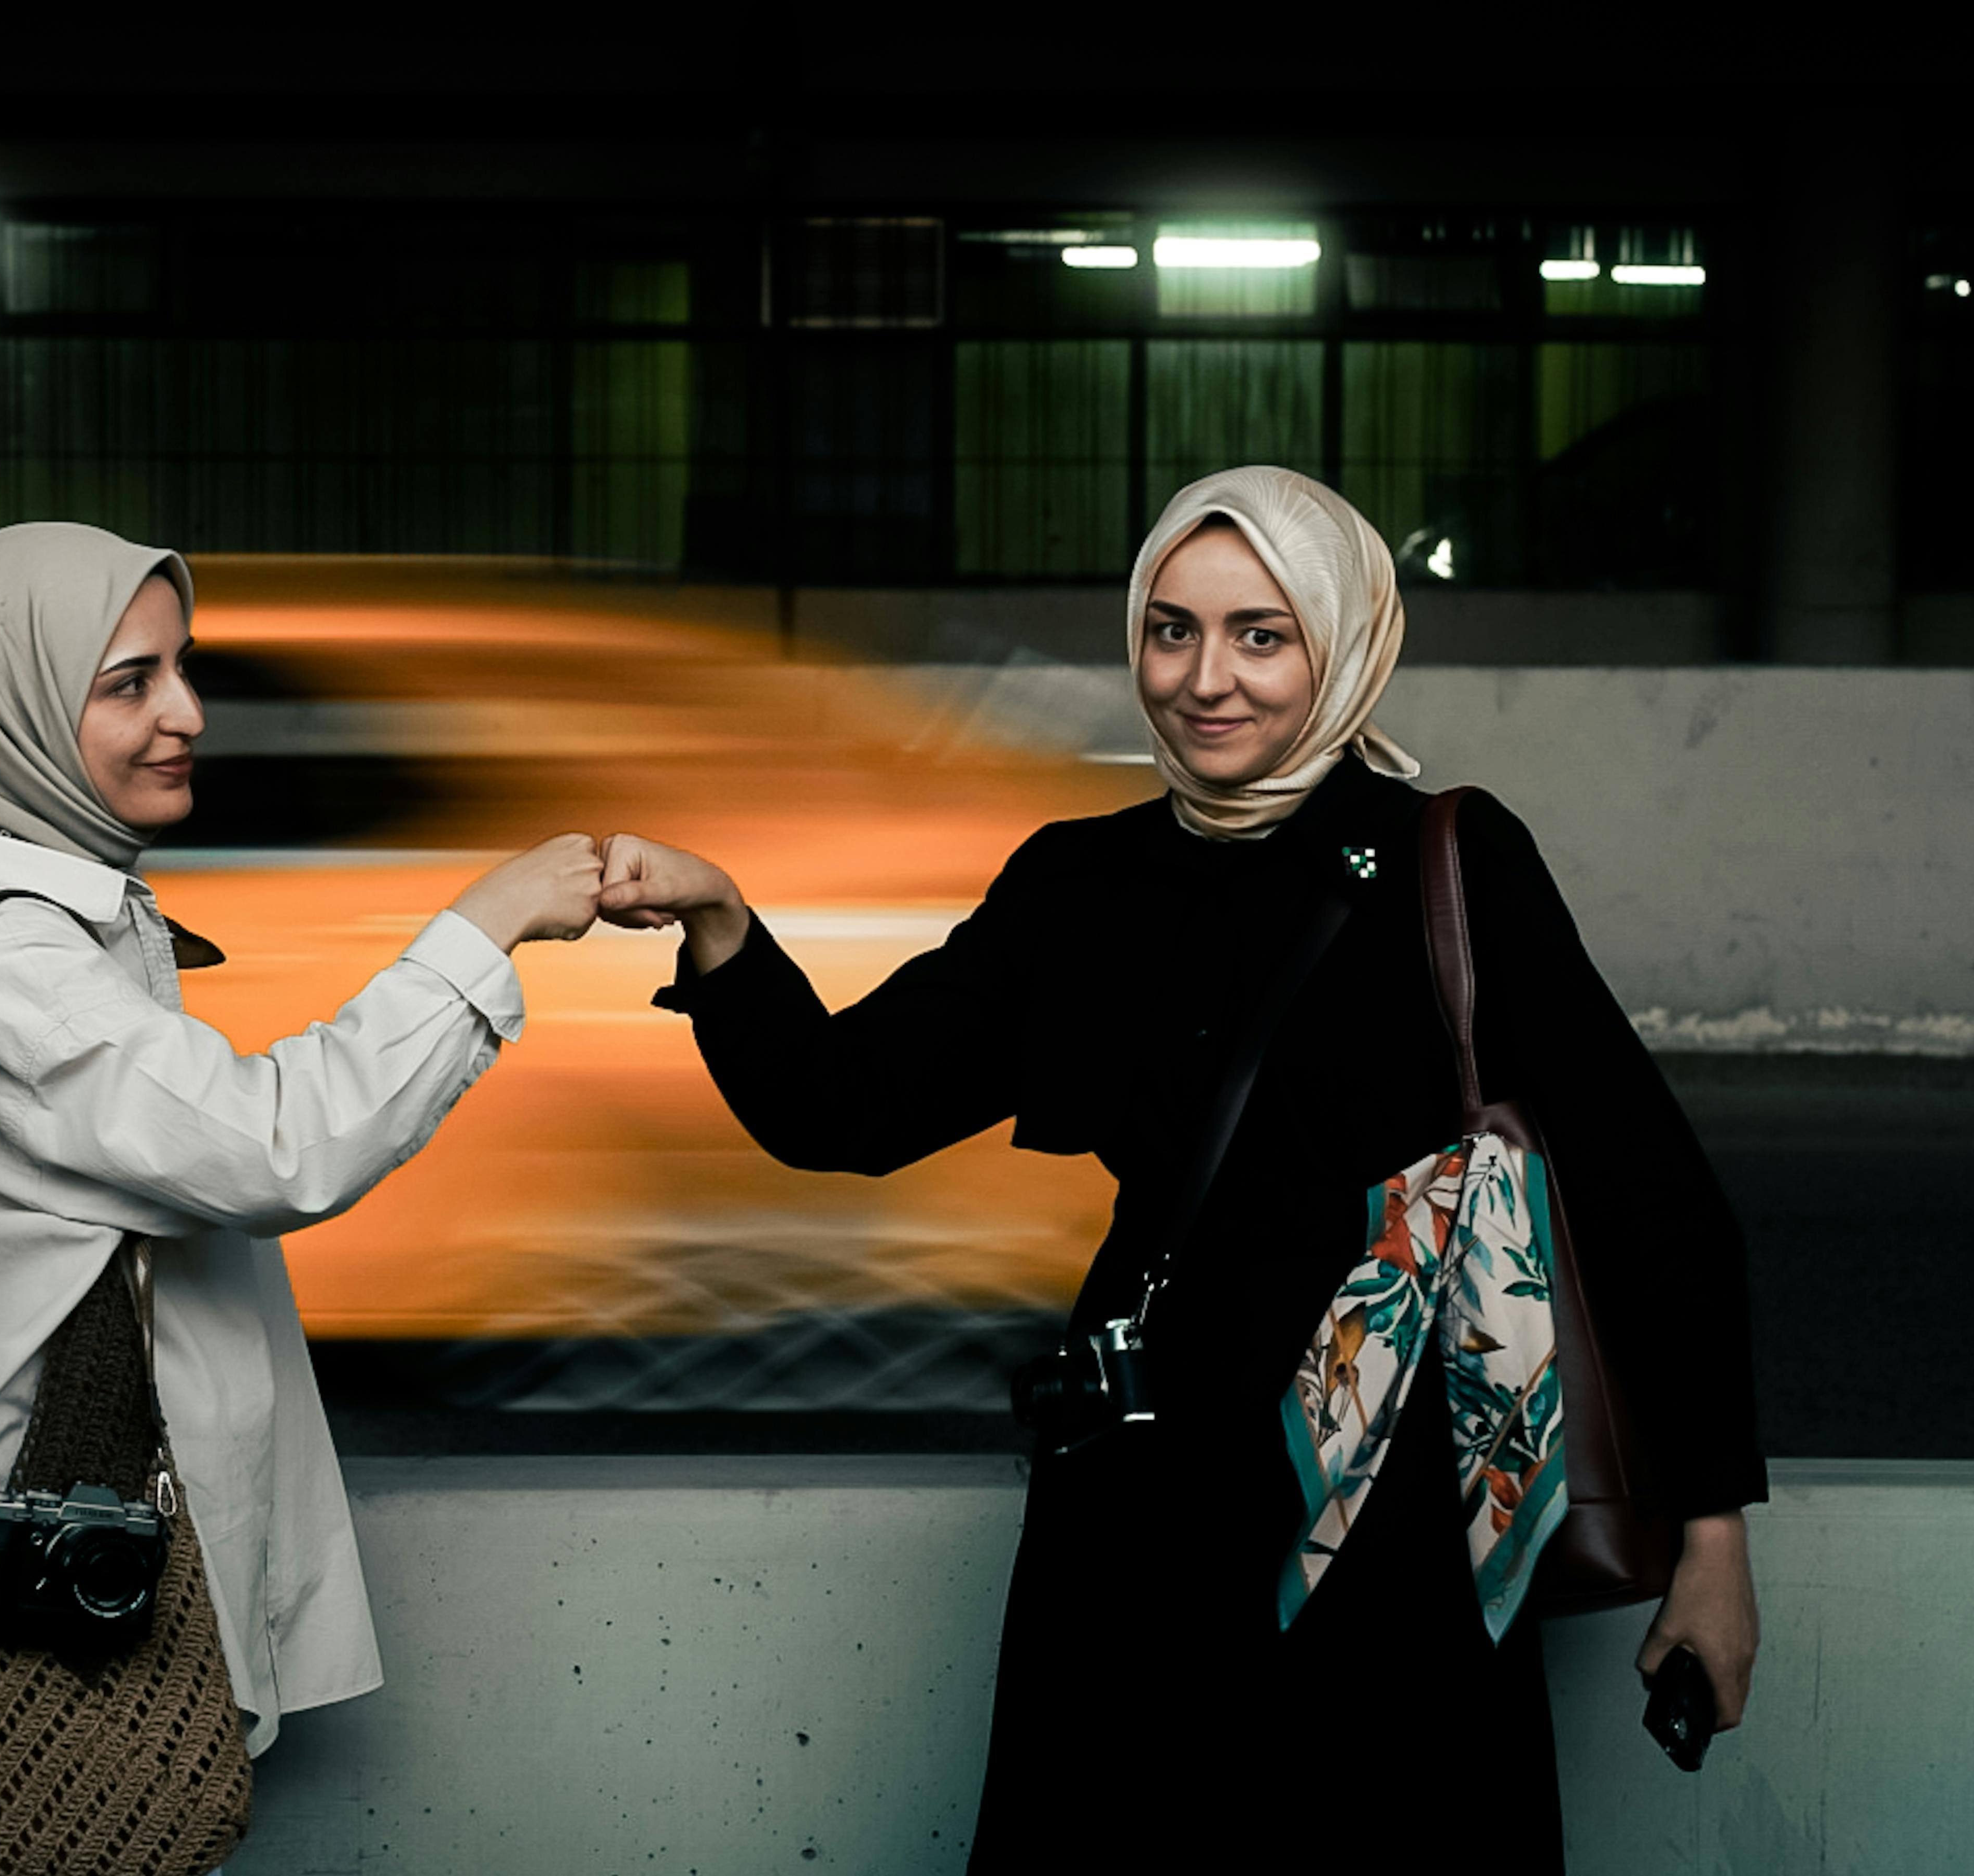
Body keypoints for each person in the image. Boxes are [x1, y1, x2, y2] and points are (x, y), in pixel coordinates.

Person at [597, 467, 1762, 1868]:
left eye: (1261, 634)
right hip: (1136, 1513)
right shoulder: (1076, 885)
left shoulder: (1449, 862)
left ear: (1342, 641)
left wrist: (1712, 1543)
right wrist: (722, 925)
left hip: (1391, 1516)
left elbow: (1651, 1195)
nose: (1206, 679)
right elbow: (846, 1108)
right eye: (1171, 630)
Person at [0, 520, 602, 1758]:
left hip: (63, 1554)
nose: (186, 713)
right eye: (129, 683)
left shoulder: (29, 921)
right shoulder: (18, 957)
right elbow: (279, 1146)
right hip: (58, 1576)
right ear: (7, 712)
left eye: (185, 669)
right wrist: (483, 925)